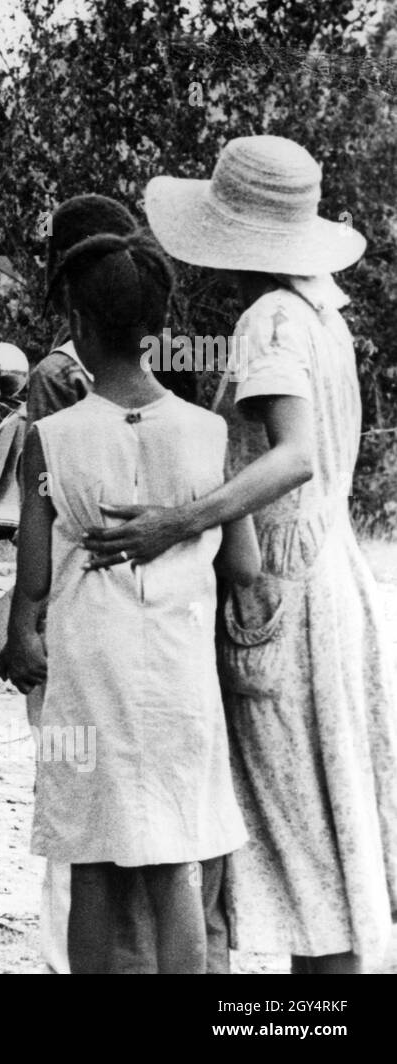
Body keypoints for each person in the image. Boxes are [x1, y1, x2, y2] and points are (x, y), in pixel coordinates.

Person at [89, 135, 397, 972]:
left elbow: (292, 454)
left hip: (286, 597)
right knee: (327, 843)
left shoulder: (269, 319)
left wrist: (178, 521)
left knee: (302, 853)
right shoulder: (323, 314)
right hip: (329, 579)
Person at [2, 230, 261, 973]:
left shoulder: (51, 437)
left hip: (89, 670)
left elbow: (33, 572)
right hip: (180, 673)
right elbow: (243, 562)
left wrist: (23, 635)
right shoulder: (207, 432)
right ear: (160, 331)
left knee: (87, 855)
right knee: (176, 856)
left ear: (77, 325)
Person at [21, 194, 140, 974]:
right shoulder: (155, 377)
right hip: (145, 621)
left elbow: (44, 517)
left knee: (70, 806)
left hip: (69, 612)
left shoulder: (55, 379)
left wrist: (21, 624)